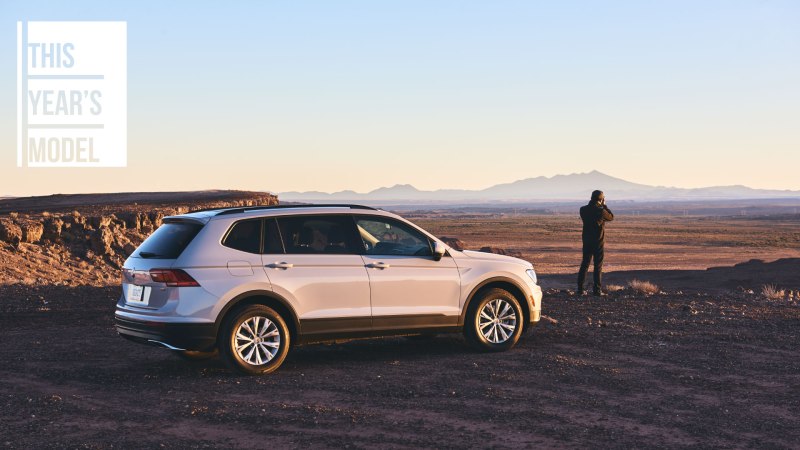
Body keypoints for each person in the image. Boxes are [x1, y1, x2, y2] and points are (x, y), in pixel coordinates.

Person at [577, 190, 614, 296]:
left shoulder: (583, 209)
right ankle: (597, 290)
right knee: (598, 266)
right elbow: (611, 217)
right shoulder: (601, 211)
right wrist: (605, 206)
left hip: (587, 241)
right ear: (601, 199)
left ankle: (580, 290)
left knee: (585, 264)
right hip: (598, 242)